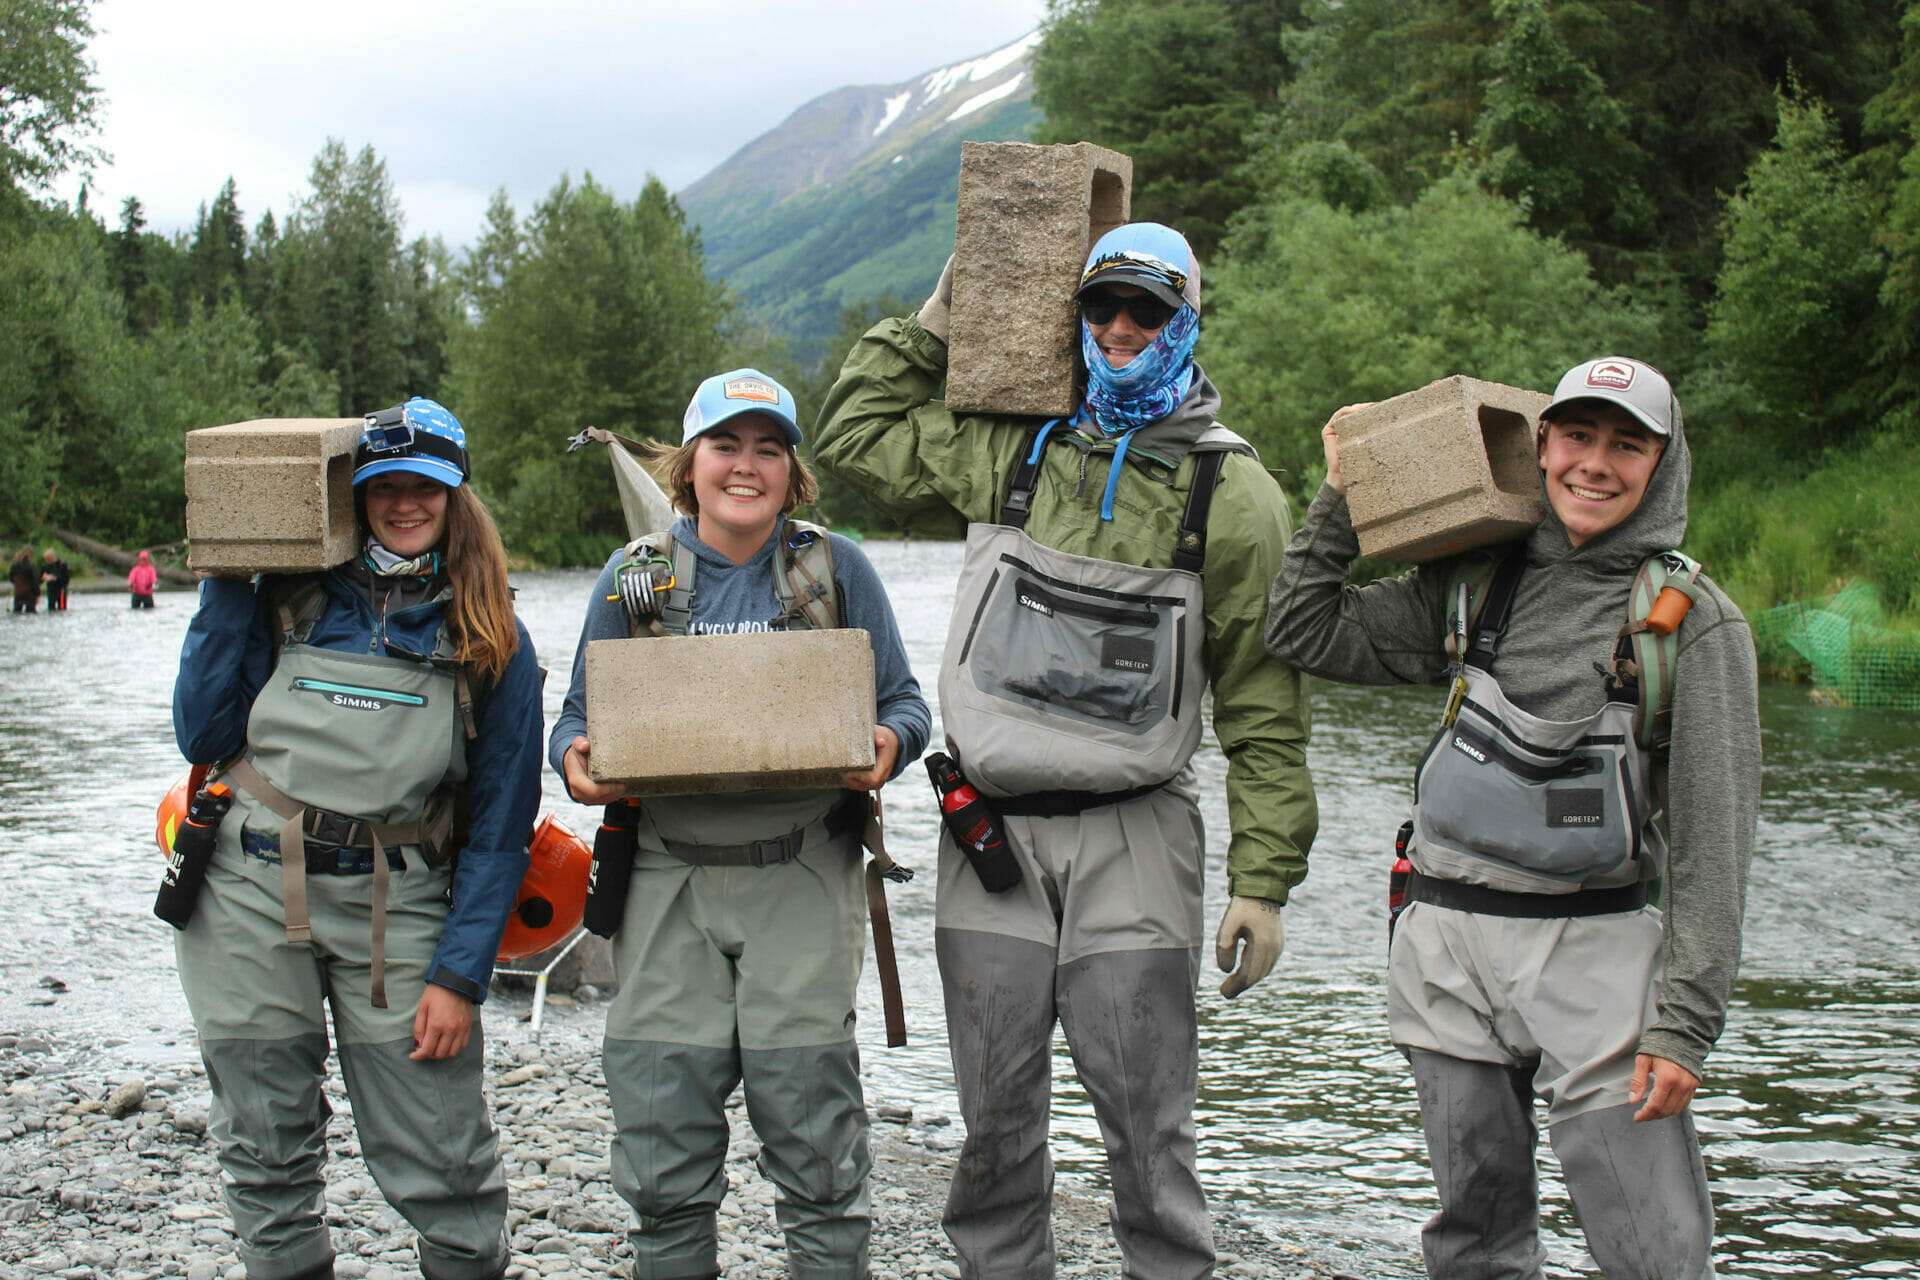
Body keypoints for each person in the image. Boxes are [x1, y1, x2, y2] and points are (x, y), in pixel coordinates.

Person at [815, 223, 1318, 1279]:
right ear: (1077, 318)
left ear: (1187, 319)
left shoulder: (1238, 499)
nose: (1123, 329)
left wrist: (1262, 878)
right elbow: (853, 435)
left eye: (1147, 309)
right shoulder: (1011, 446)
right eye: (1102, 308)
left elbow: (1264, 710)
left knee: (1146, 1122)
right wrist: (938, 318)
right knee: (995, 1120)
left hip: (1136, 838)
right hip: (987, 831)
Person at [1265, 358, 1760, 1278]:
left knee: (1654, 1249)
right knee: (1473, 1239)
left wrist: (1684, 1025)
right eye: (1577, 437)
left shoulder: (1693, 624)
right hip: (1447, 951)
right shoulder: (1471, 583)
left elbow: (1713, 849)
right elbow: (1300, 630)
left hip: (1600, 958)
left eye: (1627, 445)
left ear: (1665, 464)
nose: (1595, 465)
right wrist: (1341, 491)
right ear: (1542, 446)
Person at [550, 368, 930, 1280]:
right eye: (727, 446)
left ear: (792, 472)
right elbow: (572, 718)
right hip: (664, 881)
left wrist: (886, 743)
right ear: (690, 466)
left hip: (801, 873)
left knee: (816, 1137)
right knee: (660, 1133)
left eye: (769, 449)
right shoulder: (635, 575)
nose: (746, 467)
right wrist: (576, 766)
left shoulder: (838, 570)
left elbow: (909, 706)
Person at [172, 397, 543, 1280]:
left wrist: (462, 975)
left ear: (458, 496)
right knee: (263, 1144)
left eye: (428, 486)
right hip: (246, 892)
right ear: (356, 493)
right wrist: (229, 568)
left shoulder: (494, 638)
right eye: (386, 485)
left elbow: (498, 830)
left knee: (444, 1156)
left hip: (401, 901)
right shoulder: (283, 598)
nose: (405, 503)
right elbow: (200, 732)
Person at [9, 547, 38, 613]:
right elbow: (35, 581)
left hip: (18, 593)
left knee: (17, 612)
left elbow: (11, 578)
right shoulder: (31, 566)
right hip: (29, 594)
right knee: (30, 613)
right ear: (31, 555)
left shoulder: (14, 565)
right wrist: (37, 594)